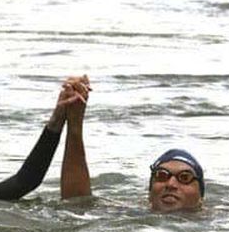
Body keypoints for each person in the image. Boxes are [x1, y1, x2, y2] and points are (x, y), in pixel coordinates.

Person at [59, 75, 206, 212]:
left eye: (185, 178)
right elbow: (77, 203)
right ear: (149, 196)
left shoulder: (219, 220)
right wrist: (75, 122)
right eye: (162, 175)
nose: (171, 184)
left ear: (201, 198)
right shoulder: (131, 215)